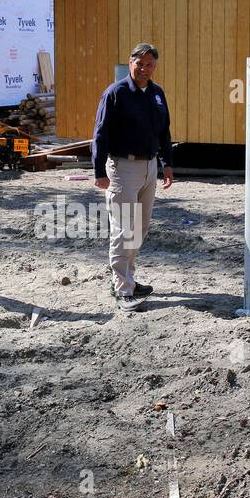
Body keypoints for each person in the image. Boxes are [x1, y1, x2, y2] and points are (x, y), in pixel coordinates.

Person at [92, 43, 175, 311]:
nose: (144, 68)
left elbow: (164, 132)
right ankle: (123, 290)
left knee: (139, 228)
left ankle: (127, 276)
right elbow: (100, 134)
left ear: (155, 66)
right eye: (140, 63)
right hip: (122, 169)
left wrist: (167, 164)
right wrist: (99, 171)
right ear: (130, 63)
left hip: (149, 168)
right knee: (124, 229)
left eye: (150, 64)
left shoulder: (156, 94)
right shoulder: (115, 94)